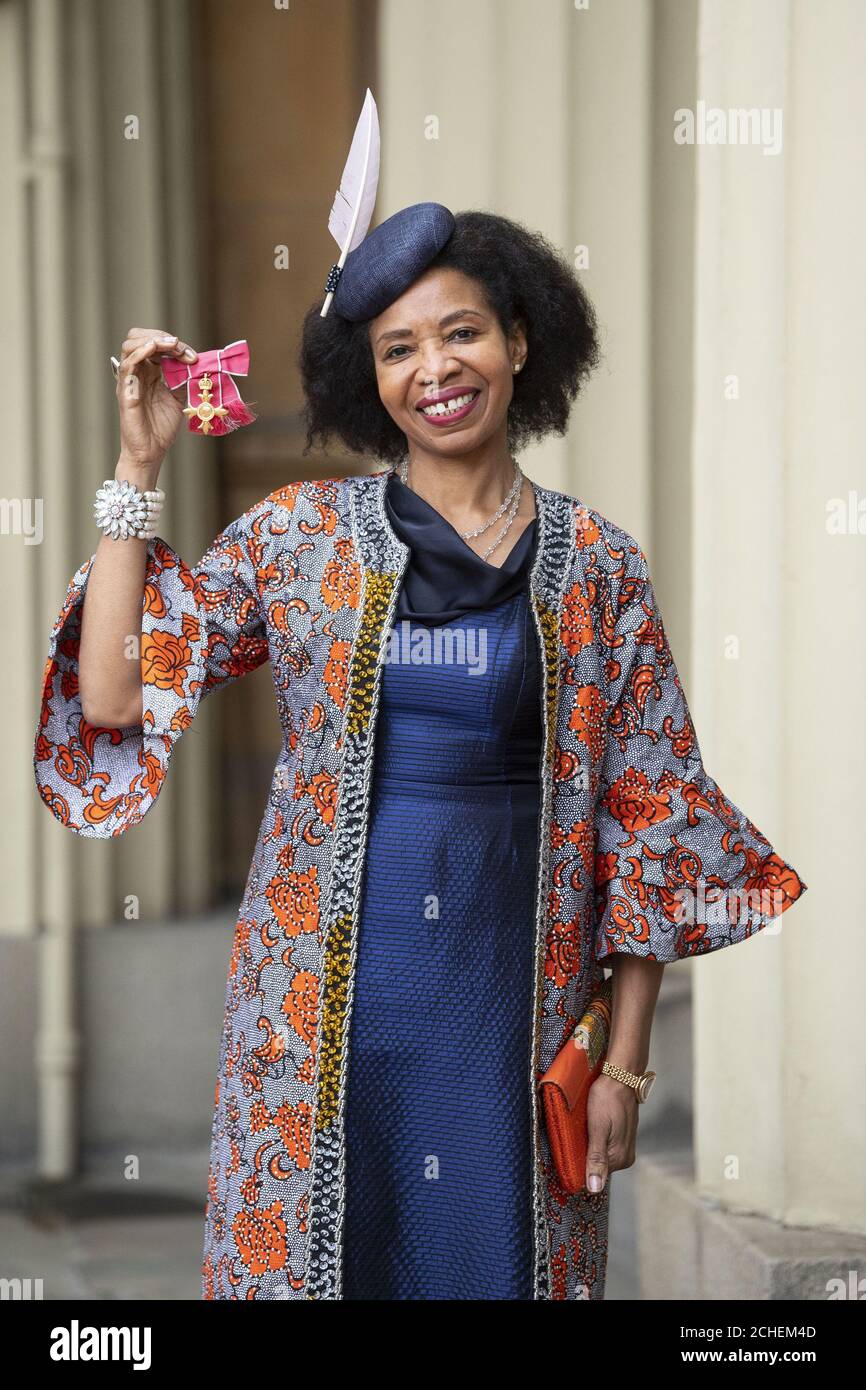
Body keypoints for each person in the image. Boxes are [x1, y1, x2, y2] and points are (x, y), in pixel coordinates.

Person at [33, 205, 808, 1301]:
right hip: (318, 1014)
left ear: (519, 342)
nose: (434, 368)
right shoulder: (297, 537)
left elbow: (651, 822)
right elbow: (111, 693)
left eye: (461, 333)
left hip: (513, 1010)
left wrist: (623, 1065)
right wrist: (137, 461)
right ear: (369, 377)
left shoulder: (596, 566)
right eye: (397, 348)